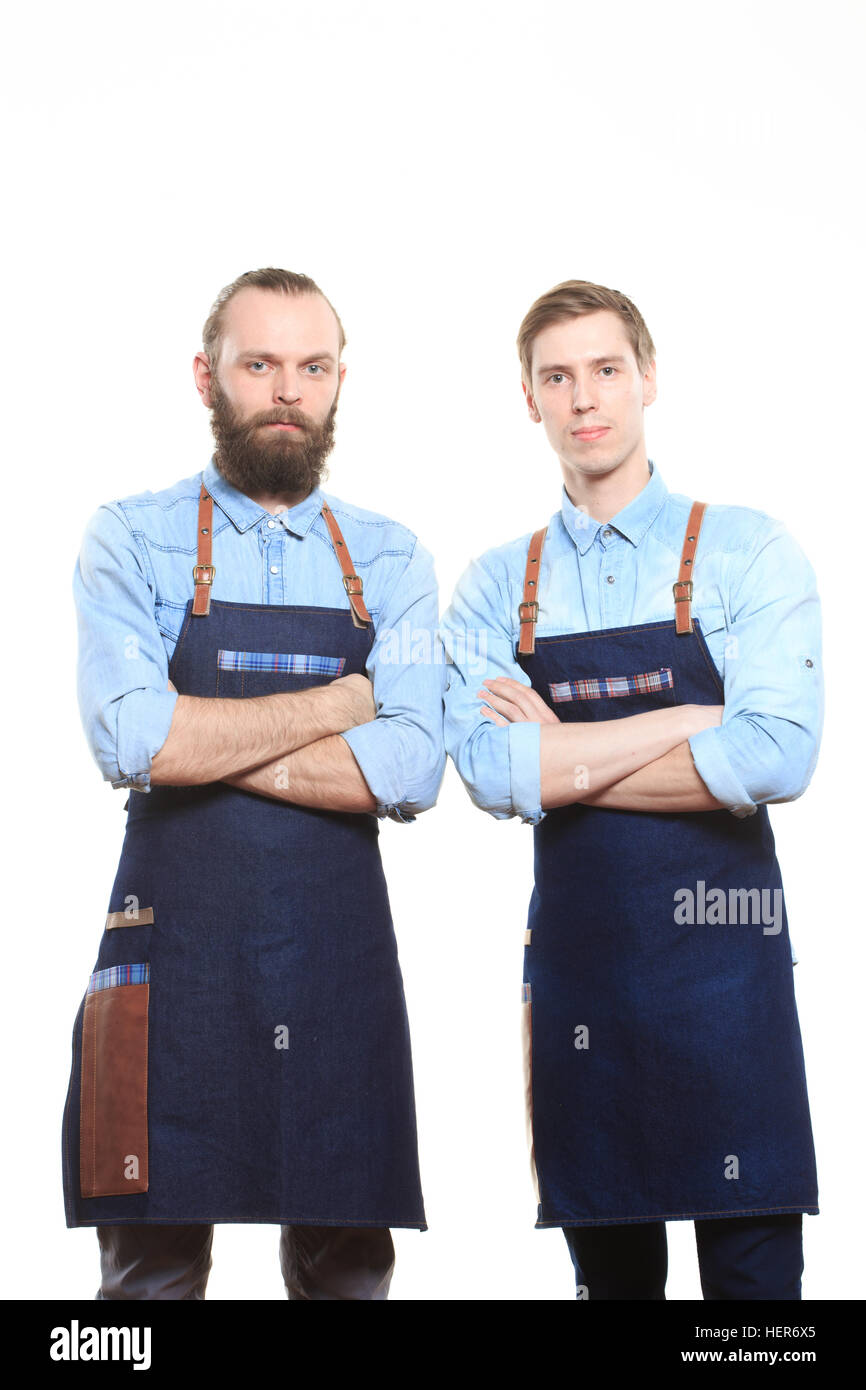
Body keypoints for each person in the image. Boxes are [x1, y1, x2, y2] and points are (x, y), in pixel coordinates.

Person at [63, 267, 445, 1301]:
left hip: (336, 970)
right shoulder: (129, 537)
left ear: (337, 380)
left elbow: (412, 766)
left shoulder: (391, 556)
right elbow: (130, 742)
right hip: (167, 960)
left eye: (311, 366)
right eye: (259, 363)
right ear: (206, 376)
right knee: (145, 1279)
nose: (287, 389)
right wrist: (335, 705)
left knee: (348, 1274)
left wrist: (199, 736)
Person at [439, 279, 822, 1301]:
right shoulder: (490, 587)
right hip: (585, 993)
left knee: (756, 1312)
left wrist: (562, 759)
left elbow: (775, 755)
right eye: (555, 377)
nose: (583, 398)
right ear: (527, 398)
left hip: (727, 988)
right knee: (608, 1287)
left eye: (604, 369)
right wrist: (682, 722)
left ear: (646, 378)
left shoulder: (747, 550)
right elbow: (486, 770)